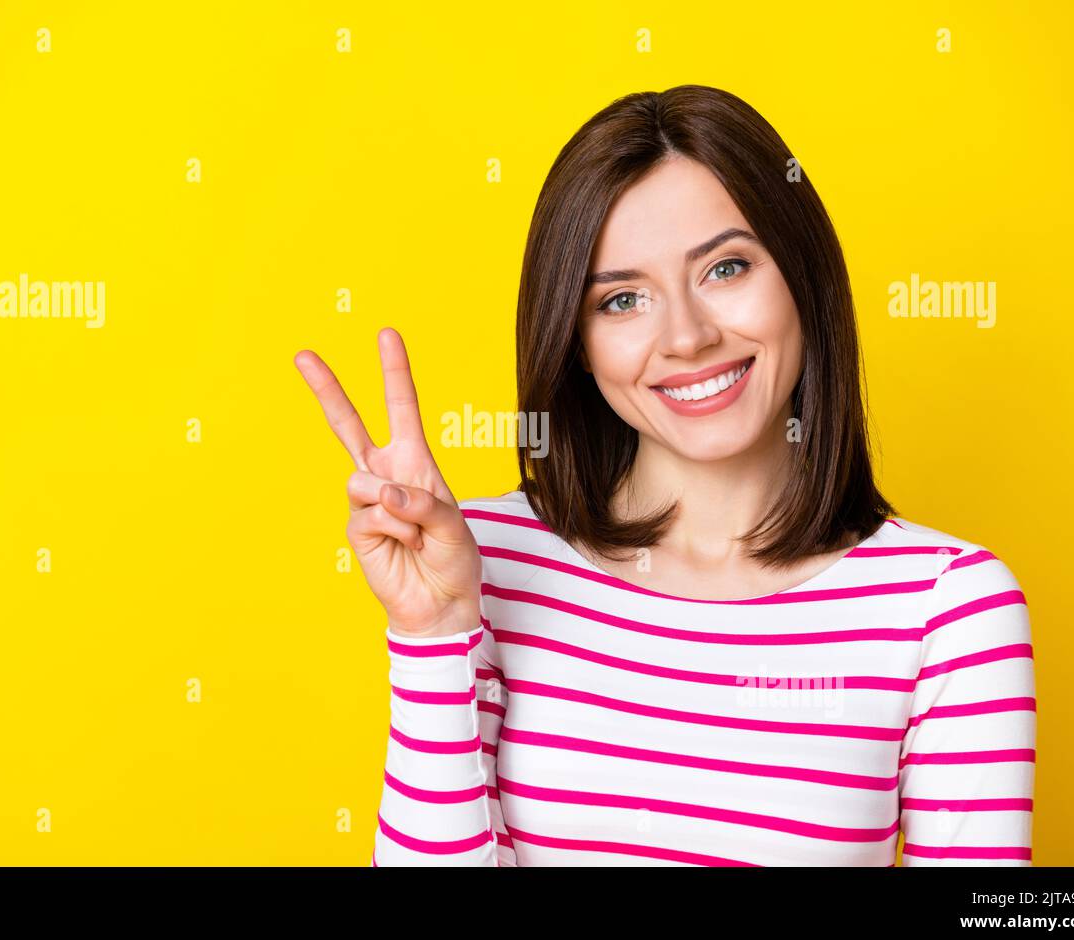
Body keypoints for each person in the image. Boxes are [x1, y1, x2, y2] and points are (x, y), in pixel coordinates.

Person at [294, 85, 1035, 867]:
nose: (686, 335)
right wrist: (433, 637)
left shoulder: (947, 607)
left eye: (725, 267)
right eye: (622, 300)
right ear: (577, 343)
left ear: (802, 278)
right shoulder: (482, 561)